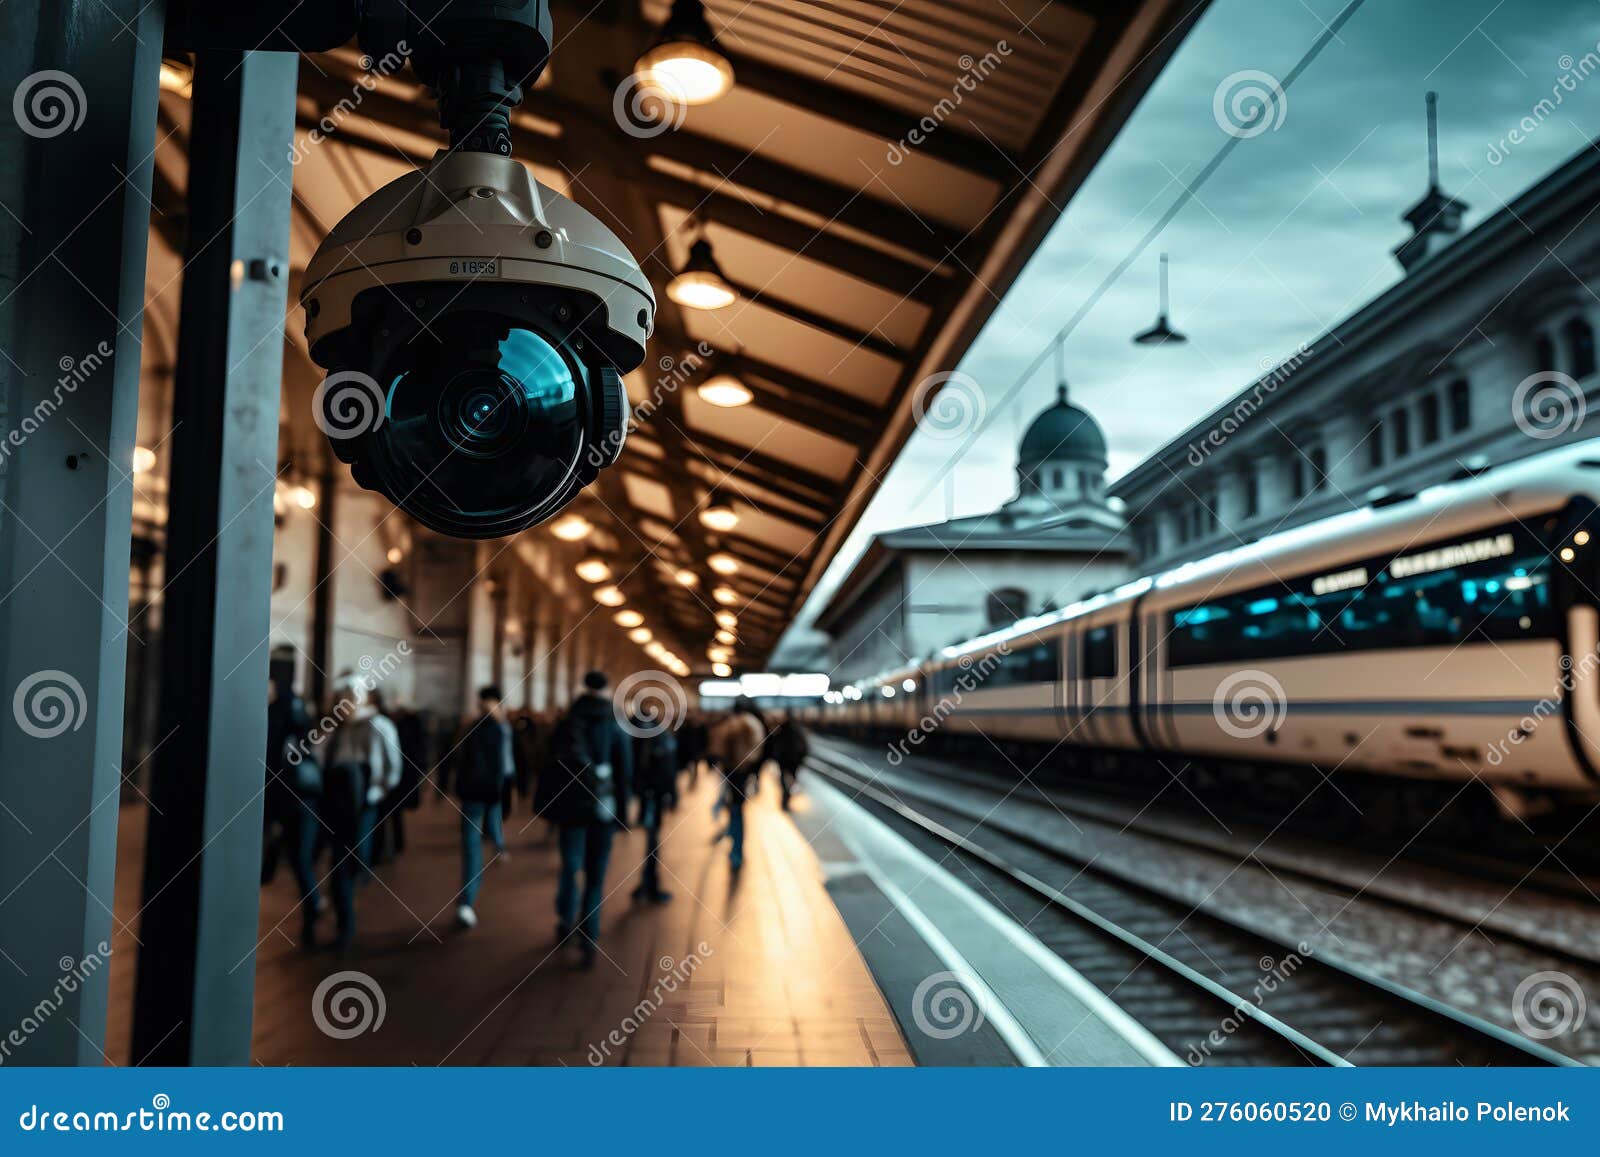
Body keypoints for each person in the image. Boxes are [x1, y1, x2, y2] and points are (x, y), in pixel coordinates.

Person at [534, 670, 632, 968]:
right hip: (603, 807)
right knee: (595, 873)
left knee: (570, 864)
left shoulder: (567, 722)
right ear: (606, 690)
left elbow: (547, 762)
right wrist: (623, 814)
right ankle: (589, 936)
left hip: (571, 806)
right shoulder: (615, 723)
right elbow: (625, 770)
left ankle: (565, 920)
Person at [317, 674, 400, 953]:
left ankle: (347, 918)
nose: (344, 703)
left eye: (349, 697)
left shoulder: (379, 726)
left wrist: (373, 794)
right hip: (336, 804)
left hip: (363, 804)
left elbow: (392, 768)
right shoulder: (337, 729)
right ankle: (345, 924)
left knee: (351, 859)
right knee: (339, 863)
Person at [262, 678, 322, 946]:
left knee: (300, 859)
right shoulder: (277, 715)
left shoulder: (285, 716)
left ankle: (313, 908)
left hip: (297, 799)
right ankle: (313, 906)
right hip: (286, 798)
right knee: (295, 858)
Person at [452, 685, 516, 929]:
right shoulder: (498, 728)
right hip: (486, 791)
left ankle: (466, 902)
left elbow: (461, 759)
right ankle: (467, 901)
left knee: (472, 848)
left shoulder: (473, 728)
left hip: (474, 793)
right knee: (477, 841)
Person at [709, 700, 767, 871]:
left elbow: (718, 747)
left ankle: (736, 848)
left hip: (732, 770)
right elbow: (759, 748)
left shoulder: (732, 723)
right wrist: (753, 770)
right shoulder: (753, 723)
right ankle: (736, 847)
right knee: (737, 808)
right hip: (744, 771)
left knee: (735, 809)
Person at [630, 706, 677, 905]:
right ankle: (650, 886)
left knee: (652, 841)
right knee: (652, 841)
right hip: (654, 794)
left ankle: (647, 884)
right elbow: (667, 768)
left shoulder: (634, 731)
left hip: (647, 793)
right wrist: (672, 794)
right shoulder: (657, 734)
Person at [766, 710, 809, 811]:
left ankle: (785, 797)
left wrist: (775, 758)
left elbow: (776, 746)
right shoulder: (798, 731)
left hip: (784, 761)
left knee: (783, 779)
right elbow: (803, 747)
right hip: (794, 761)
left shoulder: (781, 731)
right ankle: (787, 796)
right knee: (791, 778)